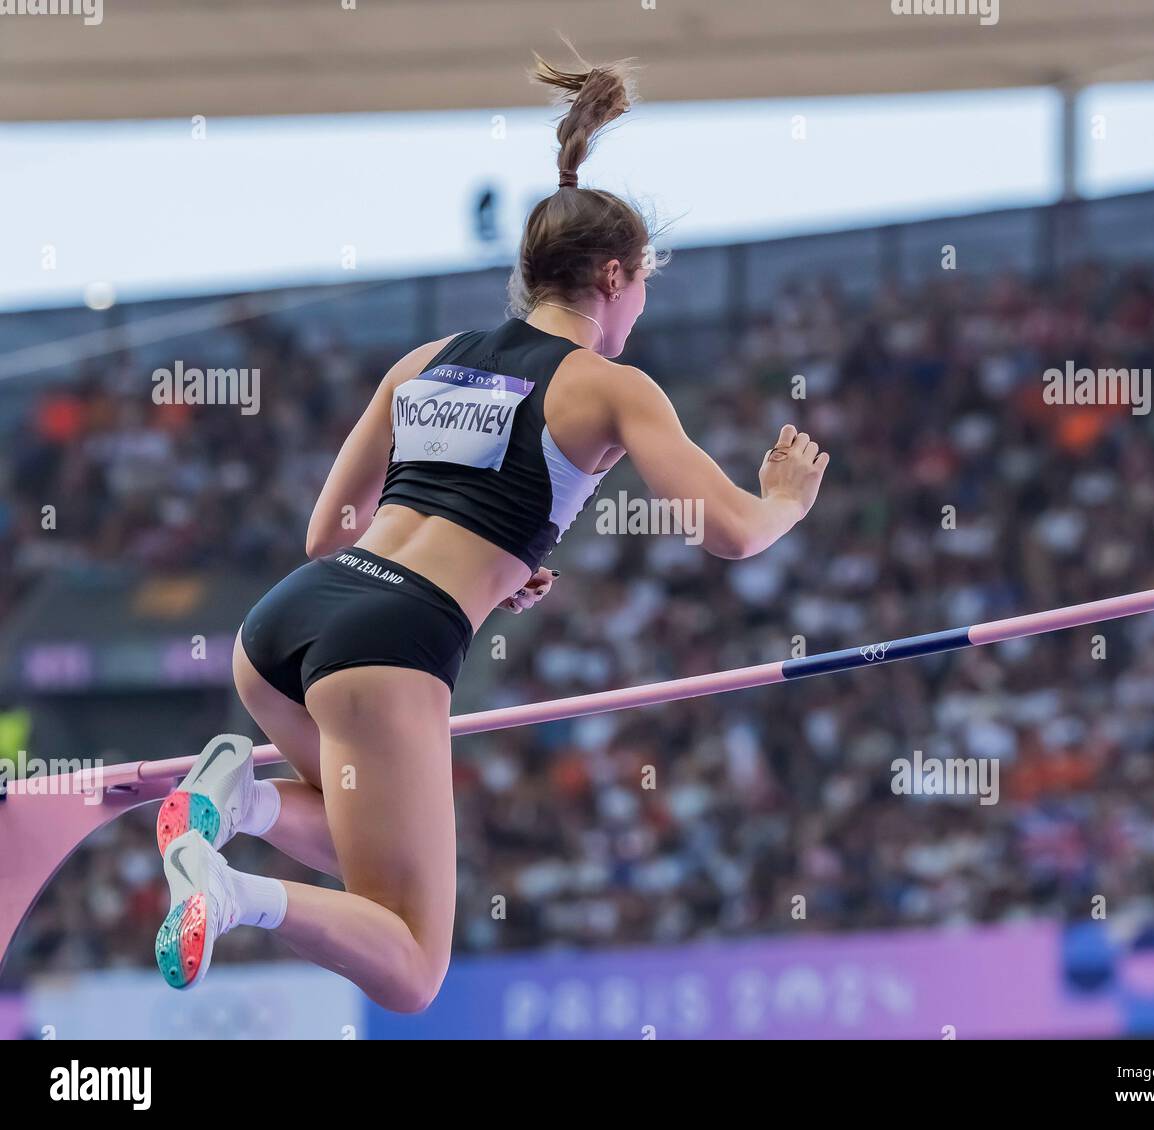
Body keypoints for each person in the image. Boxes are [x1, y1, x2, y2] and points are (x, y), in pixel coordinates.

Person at [153, 51, 829, 1012]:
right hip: (387, 649)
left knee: (373, 838)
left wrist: (490, 560)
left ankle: (234, 800)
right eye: (643, 286)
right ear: (612, 275)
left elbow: (327, 534)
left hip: (283, 633)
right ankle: (229, 892)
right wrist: (786, 501)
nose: (641, 308)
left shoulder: (427, 359)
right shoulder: (608, 385)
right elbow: (725, 533)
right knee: (413, 966)